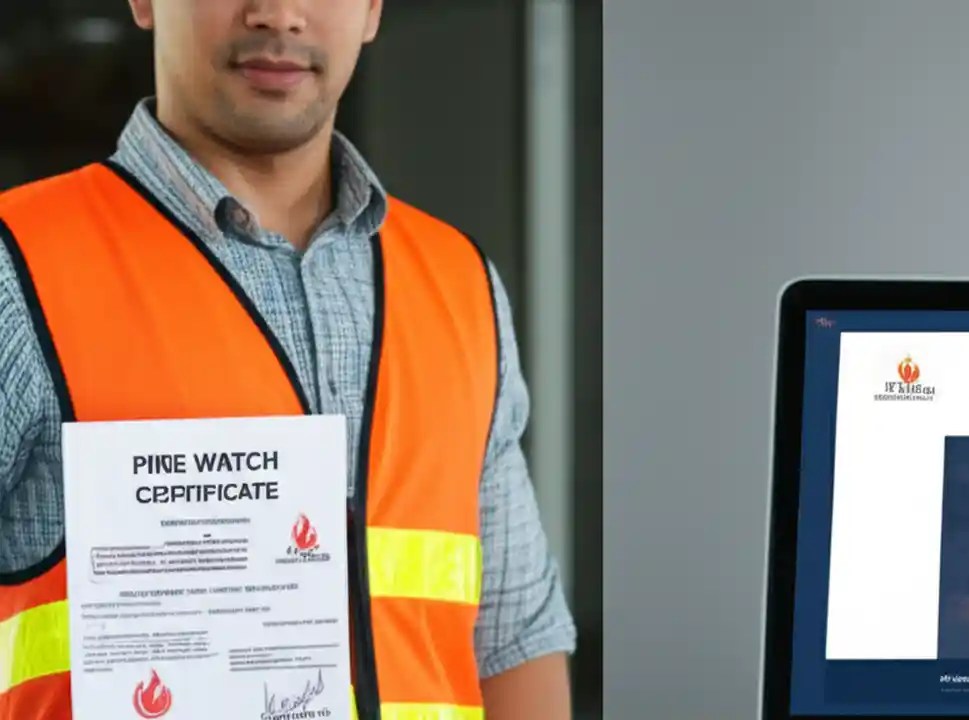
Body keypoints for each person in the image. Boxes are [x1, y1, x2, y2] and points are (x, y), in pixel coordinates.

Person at [0, 1, 575, 718]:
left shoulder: (460, 283)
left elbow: (515, 642)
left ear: (371, 9)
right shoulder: (16, 268)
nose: (278, 13)